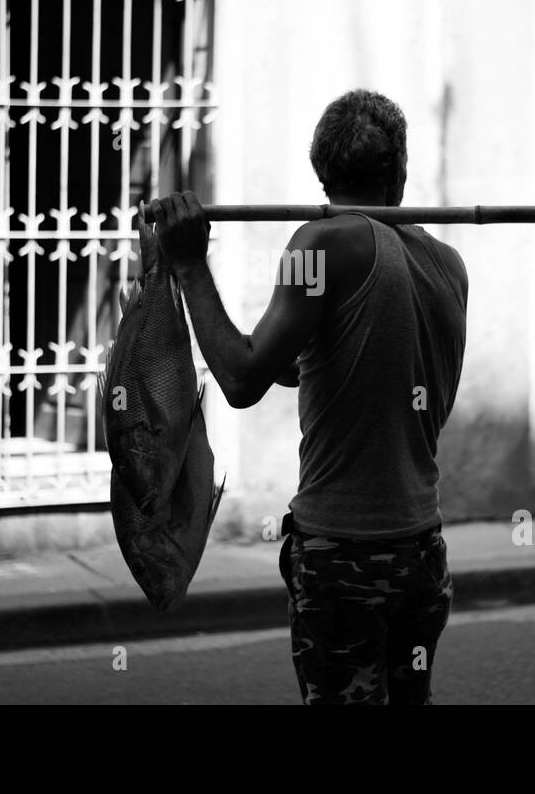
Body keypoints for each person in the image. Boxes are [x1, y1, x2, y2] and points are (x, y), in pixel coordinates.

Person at [148, 89, 469, 704]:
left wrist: (189, 266)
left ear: (323, 177)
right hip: (421, 552)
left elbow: (242, 379)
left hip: (343, 554)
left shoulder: (318, 246)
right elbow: (374, 379)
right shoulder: (448, 265)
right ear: (399, 171)